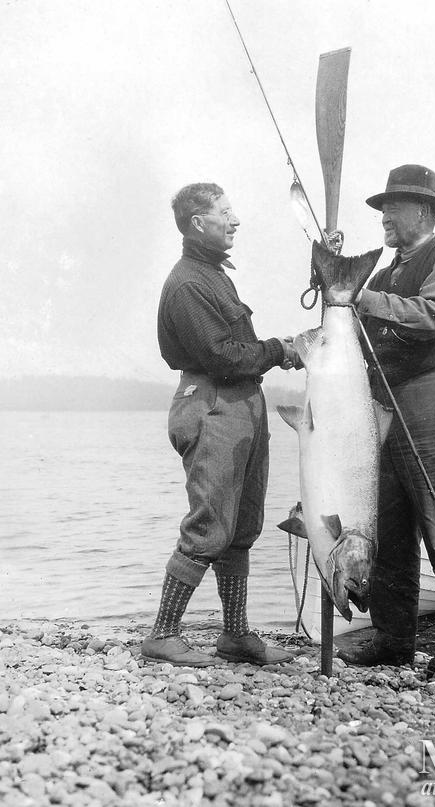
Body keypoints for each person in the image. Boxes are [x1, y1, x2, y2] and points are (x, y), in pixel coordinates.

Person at [141, 182, 298, 667]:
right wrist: (281, 348)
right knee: (210, 523)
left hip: (242, 405)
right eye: (225, 213)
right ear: (197, 224)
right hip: (212, 405)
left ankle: (235, 636)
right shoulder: (189, 282)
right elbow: (222, 356)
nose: (235, 221)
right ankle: (163, 634)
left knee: (242, 525)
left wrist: (274, 353)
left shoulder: (214, 275)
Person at [339, 164, 435, 673]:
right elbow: (355, 333)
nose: (384, 217)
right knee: (390, 524)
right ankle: (393, 638)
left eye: (393, 208)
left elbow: (433, 316)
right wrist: (337, 289)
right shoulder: (380, 274)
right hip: (384, 407)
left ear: (423, 211)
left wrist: (361, 295)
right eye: (382, 209)